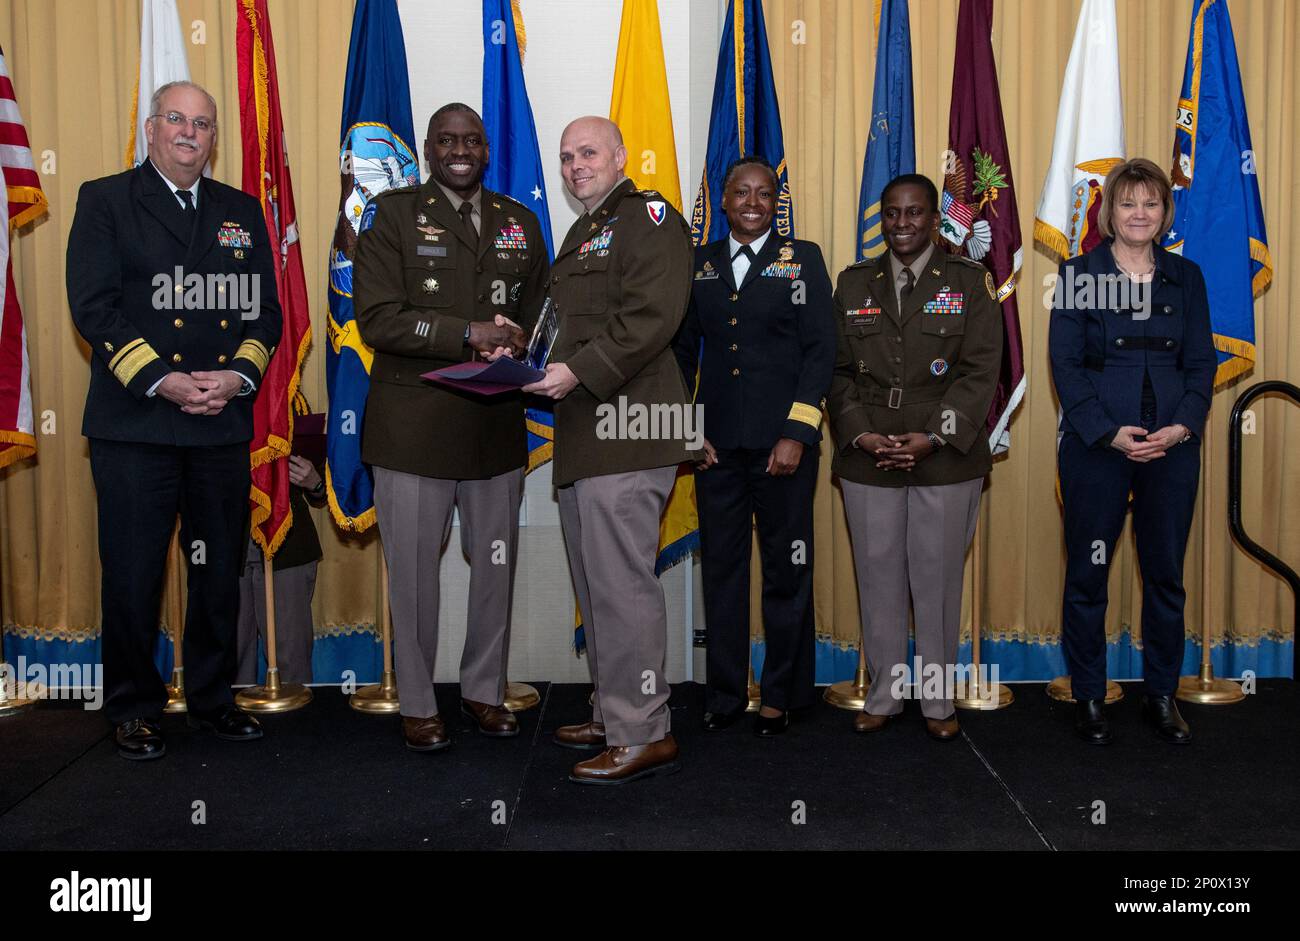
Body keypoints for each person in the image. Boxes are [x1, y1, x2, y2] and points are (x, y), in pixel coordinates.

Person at [67, 80, 283, 760]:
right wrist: (163, 380)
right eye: (177, 120)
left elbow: (265, 314)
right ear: (151, 128)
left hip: (218, 419)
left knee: (219, 570)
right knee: (133, 573)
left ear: (213, 138)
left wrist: (237, 377)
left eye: (203, 124)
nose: (190, 133)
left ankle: (213, 698)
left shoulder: (241, 210)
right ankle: (134, 705)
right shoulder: (105, 200)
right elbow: (95, 307)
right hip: (137, 423)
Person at [352, 103, 549, 752]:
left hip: (494, 428)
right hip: (414, 429)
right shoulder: (392, 216)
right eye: (447, 140)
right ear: (429, 150)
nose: (460, 150)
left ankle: (484, 690)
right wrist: (467, 333)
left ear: (486, 150)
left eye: (471, 140)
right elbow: (378, 318)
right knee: (413, 577)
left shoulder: (519, 222)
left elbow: (540, 317)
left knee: (495, 566)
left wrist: (525, 345)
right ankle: (418, 703)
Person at [523, 116, 696, 784]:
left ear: (621, 155)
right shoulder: (584, 231)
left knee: (623, 587)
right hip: (587, 431)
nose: (574, 165)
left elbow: (652, 316)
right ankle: (613, 709)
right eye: (565, 157)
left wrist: (574, 370)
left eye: (587, 152)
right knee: (599, 584)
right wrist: (523, 349)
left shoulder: (648, 216)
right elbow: (564, 325)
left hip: (630, 426)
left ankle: (644, 730)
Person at [827, 173, 1002, 741]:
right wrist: (860, 434)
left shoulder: (970, 281)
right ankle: (884, 693)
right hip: (869, 452)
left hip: (946, 454)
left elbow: (981, 371)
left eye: (915, 213)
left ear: (934, 218)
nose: (903, 224)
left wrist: (934, 435)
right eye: (893, 214)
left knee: (937, 578)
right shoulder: (853, 283)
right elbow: (835, 371)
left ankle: (937, 701)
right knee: (877, 577)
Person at [1049, 157, 1215, 746]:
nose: (1139, 213)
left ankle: (1162, 695)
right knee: (1089, 572)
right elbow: (1065, 366)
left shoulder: (1186, 277)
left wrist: (1183, 427)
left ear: (1165, 213)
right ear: (1108, 212)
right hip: (1099, 447)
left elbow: (1200, 364)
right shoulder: (1078, 273)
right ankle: (1090, 695)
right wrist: (1107, 432)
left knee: (1165, 575)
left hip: (1171, 447)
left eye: (1150, 203)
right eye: (1127, 203)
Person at [673, 156, 835, 736]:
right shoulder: (701, 264)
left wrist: (797, 432)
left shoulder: (803, 260)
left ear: (776, 202)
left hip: (783, 450)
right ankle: (723, 693)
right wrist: (685, 430)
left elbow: (822, 352)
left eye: (763, 194)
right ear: (722, 200)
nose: (751, 202)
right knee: (722, 569)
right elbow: (681, 352)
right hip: (715, 449)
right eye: (740, 192)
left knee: (787, 571)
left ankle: (783, 694)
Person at [235, 411, 326, 687]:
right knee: (231, 659)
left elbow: (322, 493)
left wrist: (314, 482)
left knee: (291, 660)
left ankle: (296, 728)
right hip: (227, 543)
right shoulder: (210, 401)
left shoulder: (287, 401)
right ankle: (229, 722)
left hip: (288, 547)